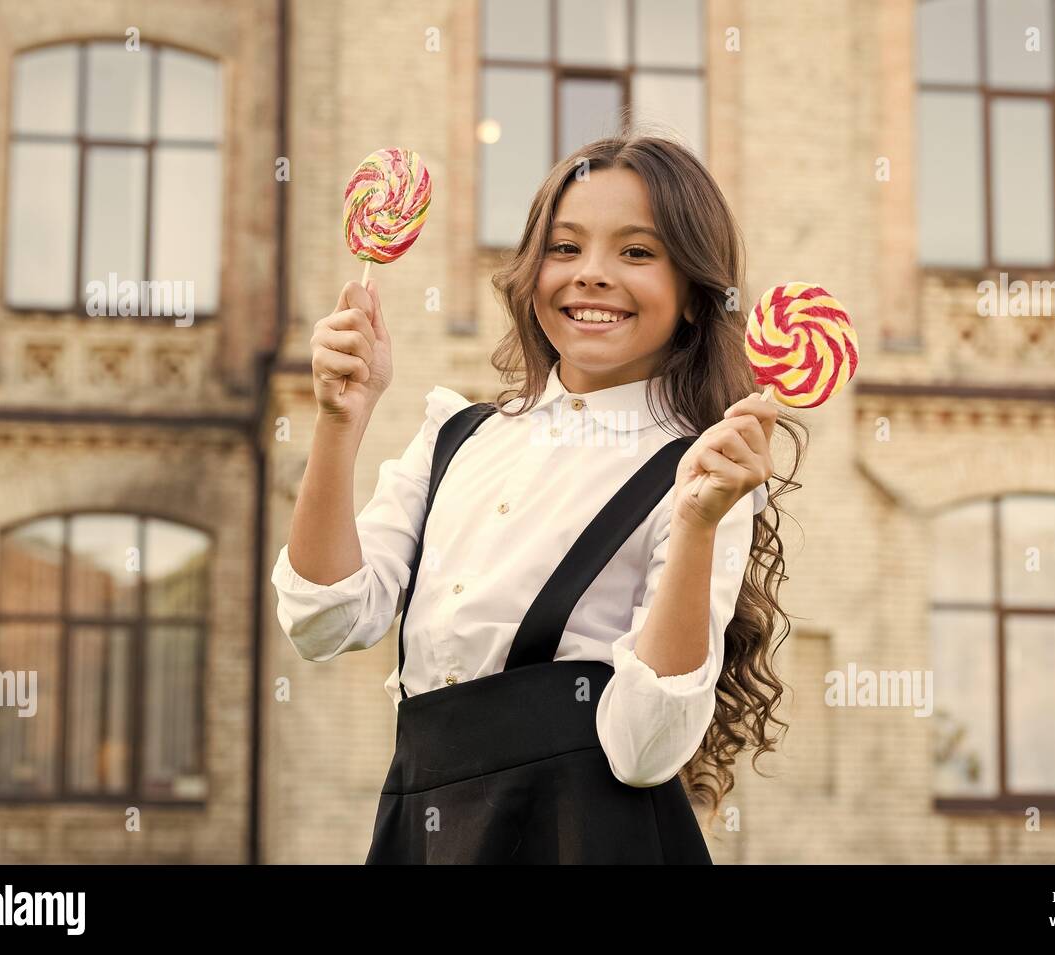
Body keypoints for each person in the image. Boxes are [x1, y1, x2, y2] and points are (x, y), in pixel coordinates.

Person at [271, 130, 807, 864]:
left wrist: (697, 519)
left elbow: (644, 745)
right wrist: (340, 422)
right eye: (564, 248)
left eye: (637, 252)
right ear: (531, 272)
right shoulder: (455, 439)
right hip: (423, 830)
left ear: (691, 297)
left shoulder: (701, 476)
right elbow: (322, 620)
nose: (591, 274)